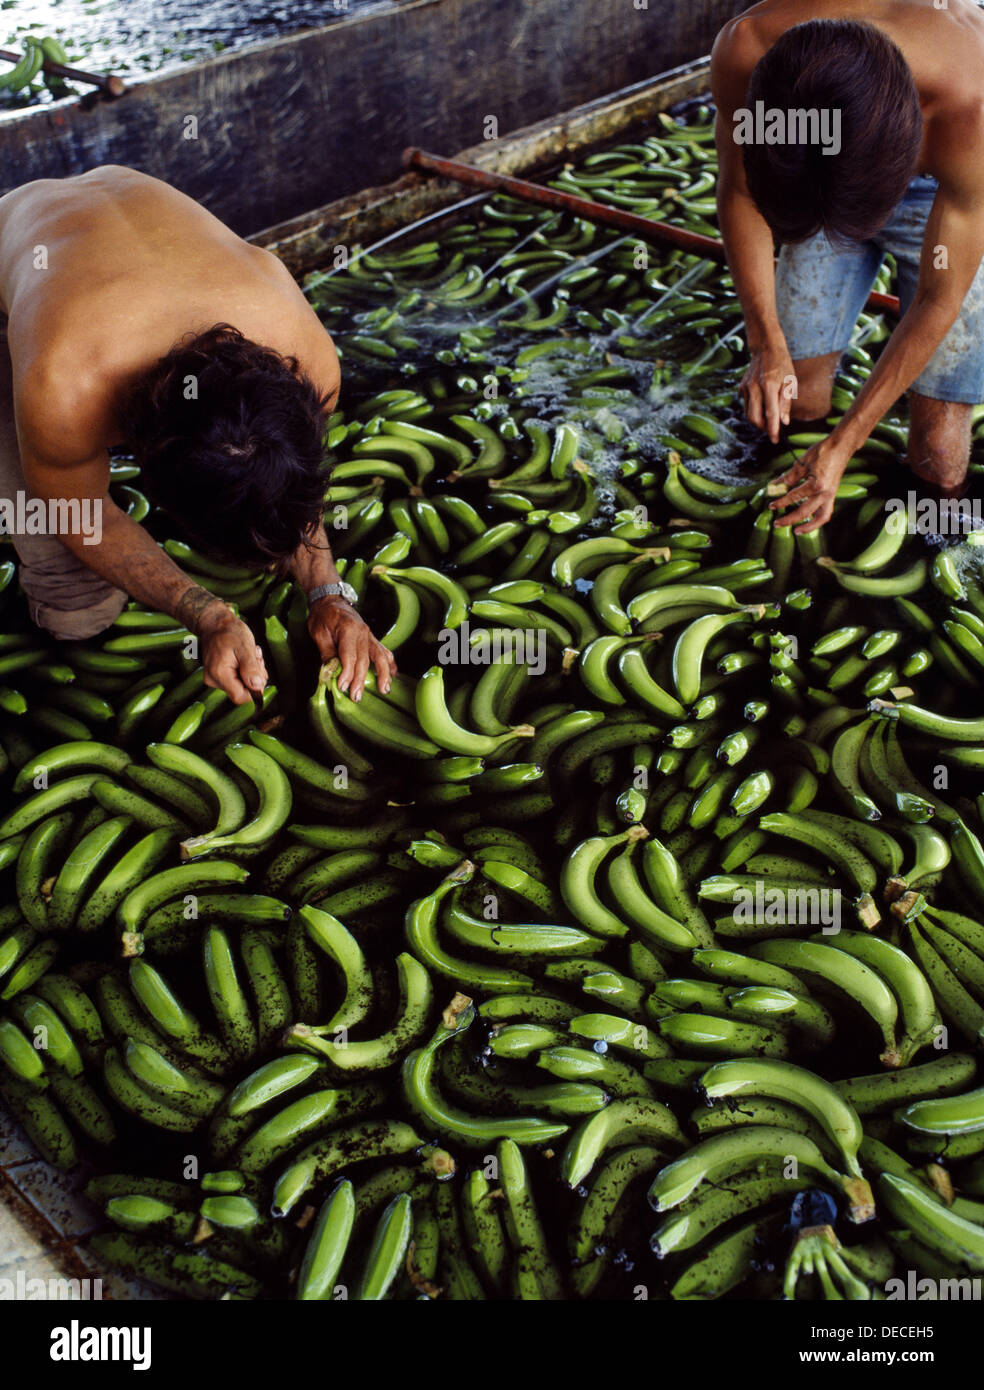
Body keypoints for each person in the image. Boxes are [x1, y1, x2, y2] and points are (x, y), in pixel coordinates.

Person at [0, 164, 396, 703]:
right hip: (19, 257)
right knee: (77, 613)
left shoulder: (308, 362)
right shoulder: (64, 383)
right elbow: (81, 515)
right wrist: (203, 612)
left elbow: (288, 482)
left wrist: (330, 594)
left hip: (119, 225)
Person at [711, 0, 984, 532]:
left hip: (948, 187)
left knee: (938, 447)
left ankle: (937, 533)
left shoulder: (971, 96)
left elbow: (939, 298)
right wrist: (766, 342)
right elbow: (740, 193)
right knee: (793, 395)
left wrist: (844, 444)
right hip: (816, 172)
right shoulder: (748, 47)